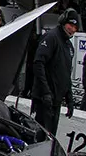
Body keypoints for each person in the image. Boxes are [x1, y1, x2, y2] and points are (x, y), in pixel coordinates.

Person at [32, 8, 78, 136]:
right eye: (70, 25)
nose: (72, 29)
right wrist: (45, 91)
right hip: (43, 100)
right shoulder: (51, 37)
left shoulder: (69, 47)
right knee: (40, 137)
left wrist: (69, 99)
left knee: (51, 137)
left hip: (55, 102)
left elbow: (66, 74)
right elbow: (38, 63)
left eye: (75, 26)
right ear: (63, 22)